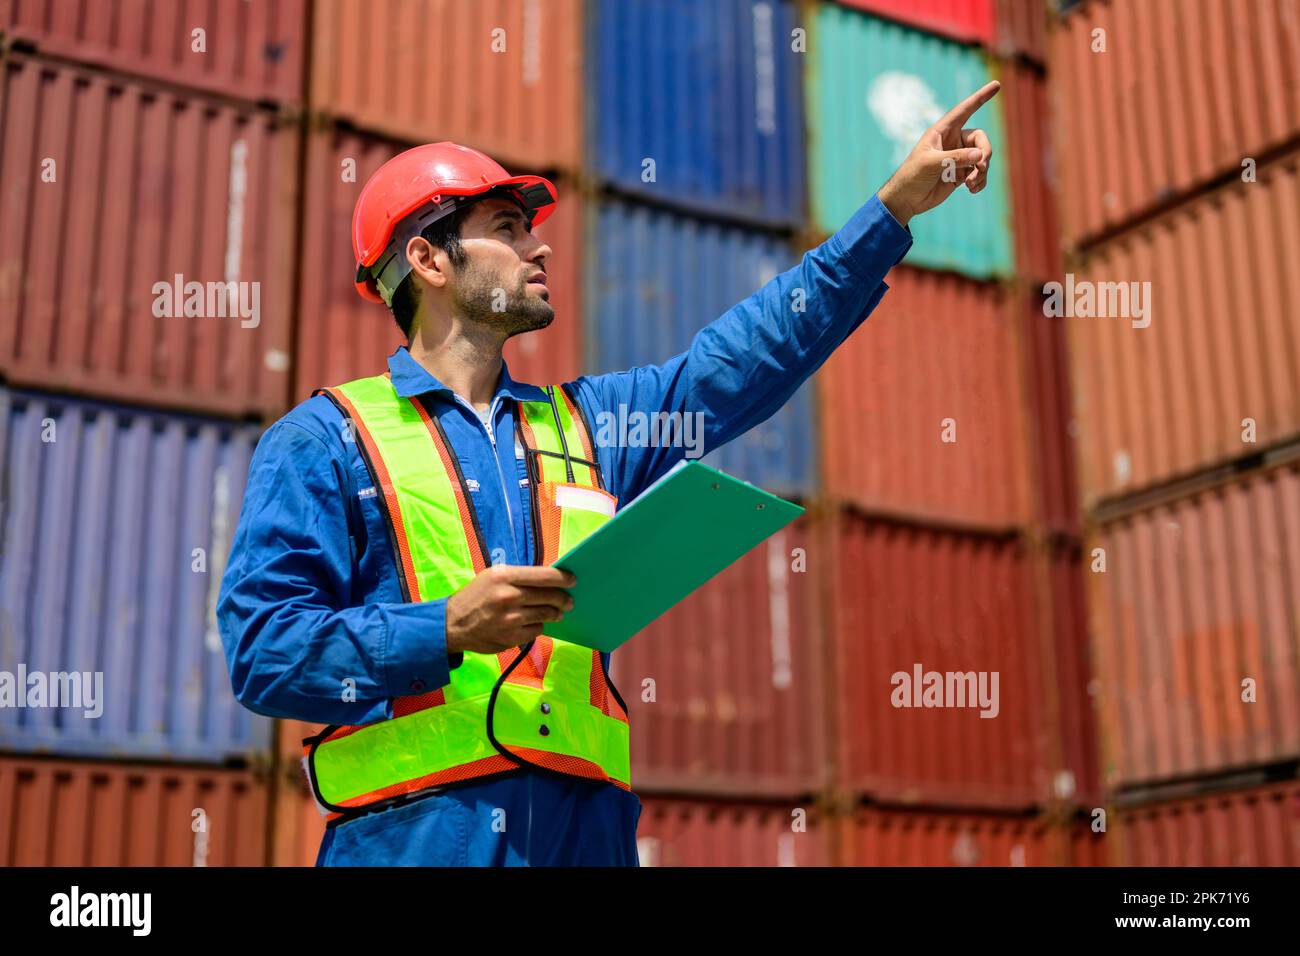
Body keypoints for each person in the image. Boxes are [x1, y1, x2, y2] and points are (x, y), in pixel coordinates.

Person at [218, 83, 1001, 866]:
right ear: (425, 258)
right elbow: (264, 653)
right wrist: (448, 627)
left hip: (585, 841)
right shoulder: (324, 441)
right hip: (412, 844)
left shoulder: (588, 426)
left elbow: (742, 357)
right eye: (507, 229)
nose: (541, 246)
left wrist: (888, 215)